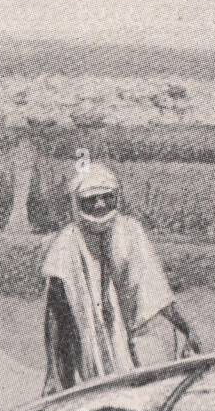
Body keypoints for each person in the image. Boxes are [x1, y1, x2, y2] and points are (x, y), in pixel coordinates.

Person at [42, 164, 201, 395]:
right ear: (78, 203)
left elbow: (156, 290)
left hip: (134, 333)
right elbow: (55, 316)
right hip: (88, 341)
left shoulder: (131, 233)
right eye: (92, 199)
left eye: (106, 197)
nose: (100, 205)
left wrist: (187, 329)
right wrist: (53, 374)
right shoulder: (65, 245)